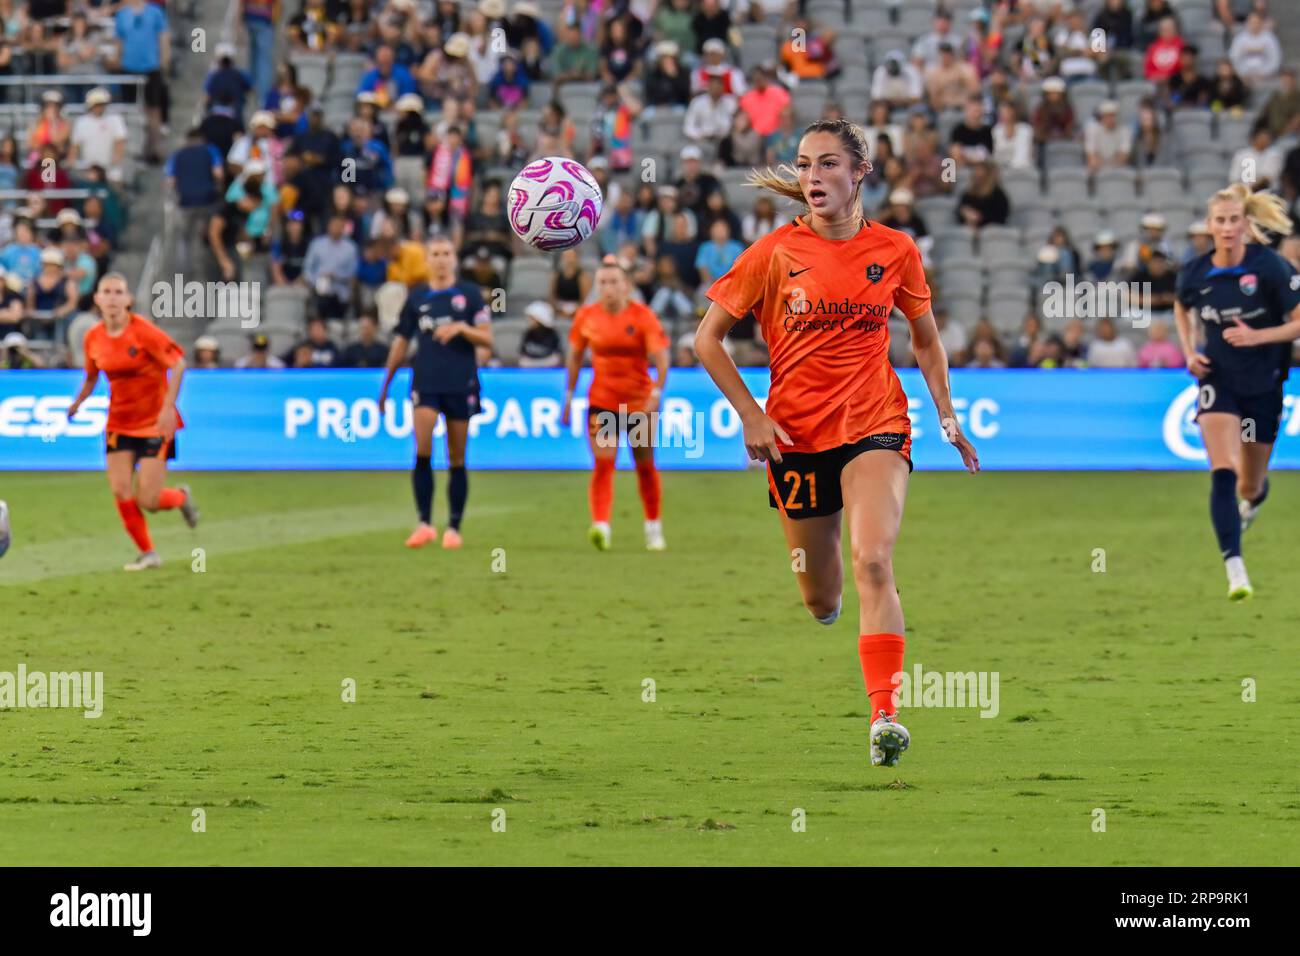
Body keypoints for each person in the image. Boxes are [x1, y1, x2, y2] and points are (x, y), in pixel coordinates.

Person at [694, 118, 979, 768]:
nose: (812, 176)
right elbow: (706, 340)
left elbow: (926, 339)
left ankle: (885, 717)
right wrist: (751, 415)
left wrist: (948, 416)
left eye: (827, 164)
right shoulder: (772, 254)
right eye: (803, 165)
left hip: (876, 423)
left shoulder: (896, 250)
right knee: (821, 599)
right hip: (795, 439)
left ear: (860, 173)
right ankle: (834, 608)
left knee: (873, 559)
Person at [1172, 183, 1300, 600]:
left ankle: (1255, 499)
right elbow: (1181, 306)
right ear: (1210, 226)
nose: (1227, 228)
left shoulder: (1271, 268)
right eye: (1220, 221)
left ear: (1245, 224)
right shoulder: (1195, 272)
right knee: (1223, 471)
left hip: (1264, 384)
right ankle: (1235, 568)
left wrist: (1258, 336)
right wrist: (1190, 351)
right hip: (1218, 380)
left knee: (1248, 485)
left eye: (1233, 220)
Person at [66, 274, 199, 571]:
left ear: (128, 300)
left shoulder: (143, 332)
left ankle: (179, 497)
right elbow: (92, 376)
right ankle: (148, 553)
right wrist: (78, 403)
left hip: (154, 424)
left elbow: (178, 364)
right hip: (119, 423)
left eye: (118, 292)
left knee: (148, 500)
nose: (112, 298)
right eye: (107, 292)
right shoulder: (93, 337)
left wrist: (168, 408)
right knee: (120, 490)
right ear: (97, 299)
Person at [379, 236, 492, 549]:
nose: (441, 259)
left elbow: (487, 339)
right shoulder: (417, 297)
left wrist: (461, 329)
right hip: (426, 381)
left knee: (457, 456)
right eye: (436, 254)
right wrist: (386, 385)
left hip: (461, 381)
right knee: (422, 449)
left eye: (446, 253)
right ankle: (424, 523)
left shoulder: (470, 295)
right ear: (427, 260)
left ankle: (453, 527)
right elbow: (401, 342)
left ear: (454, 259)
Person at [561, 255, 670, 552]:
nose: (608, 288)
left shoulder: (643, 316)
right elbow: (574, 357)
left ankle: (653, 528)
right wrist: (568, 396)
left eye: (613, 282)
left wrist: (656, 395)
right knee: (603, 464)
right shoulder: (586, 317)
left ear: (626, 286)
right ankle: (601, 526)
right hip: (602, 402)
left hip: (639, 404)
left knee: (644, 466)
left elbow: (662, 360)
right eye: (602, 282)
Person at [518, 300, 562, 368]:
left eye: (532, 318)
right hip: (530, 362)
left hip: (548, 362)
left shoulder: (552, 333)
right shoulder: (528, 333)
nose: (529, 320)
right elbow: (522, 352)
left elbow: (557, 353)